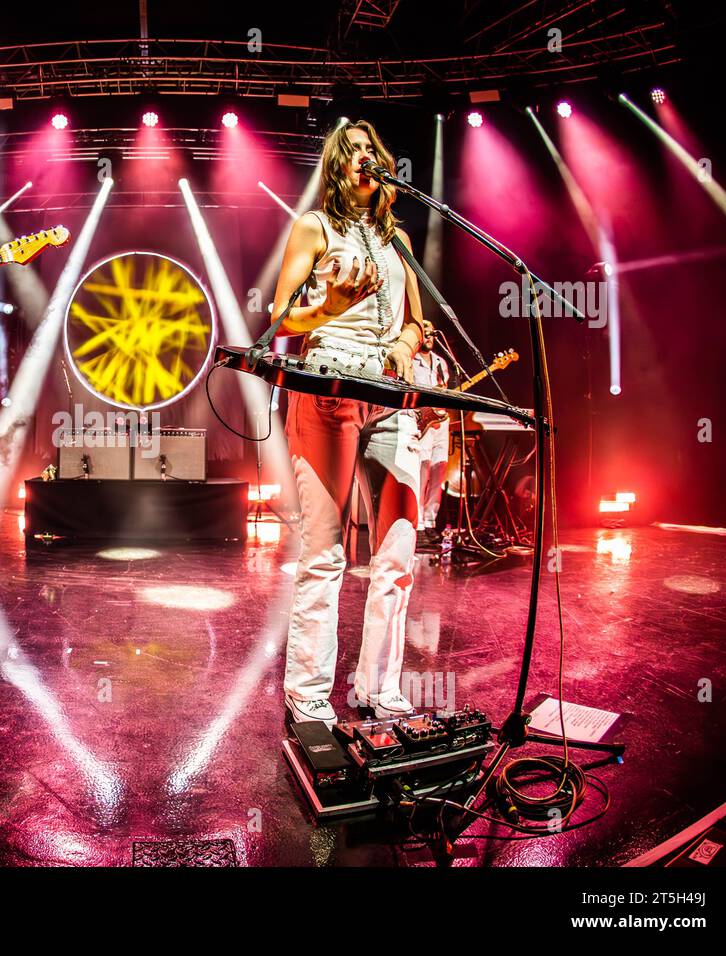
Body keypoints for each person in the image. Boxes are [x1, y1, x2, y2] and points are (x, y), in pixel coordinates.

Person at [271, 120, 433, 726]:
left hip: (392, 398)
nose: (365, 159)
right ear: (338, 168)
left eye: (373, 150)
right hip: (329, 394)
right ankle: (309, 691)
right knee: (325, 551)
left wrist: (407, 342)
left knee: (395, 554)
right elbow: (281, 317)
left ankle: (378, 685)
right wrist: (330, 307)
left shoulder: (398, 242)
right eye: (354, 152)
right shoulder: (314, 228)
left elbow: (421, 322)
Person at [412, 340, 451, 544]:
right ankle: (417, 525)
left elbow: (444, 390)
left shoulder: (440, 362)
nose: (428, 335)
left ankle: (430, 522)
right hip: (425, 420)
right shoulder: (412, 359)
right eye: (424, 329)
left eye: (431, 332)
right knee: (422, 471)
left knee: (439, 471)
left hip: (442, 422)